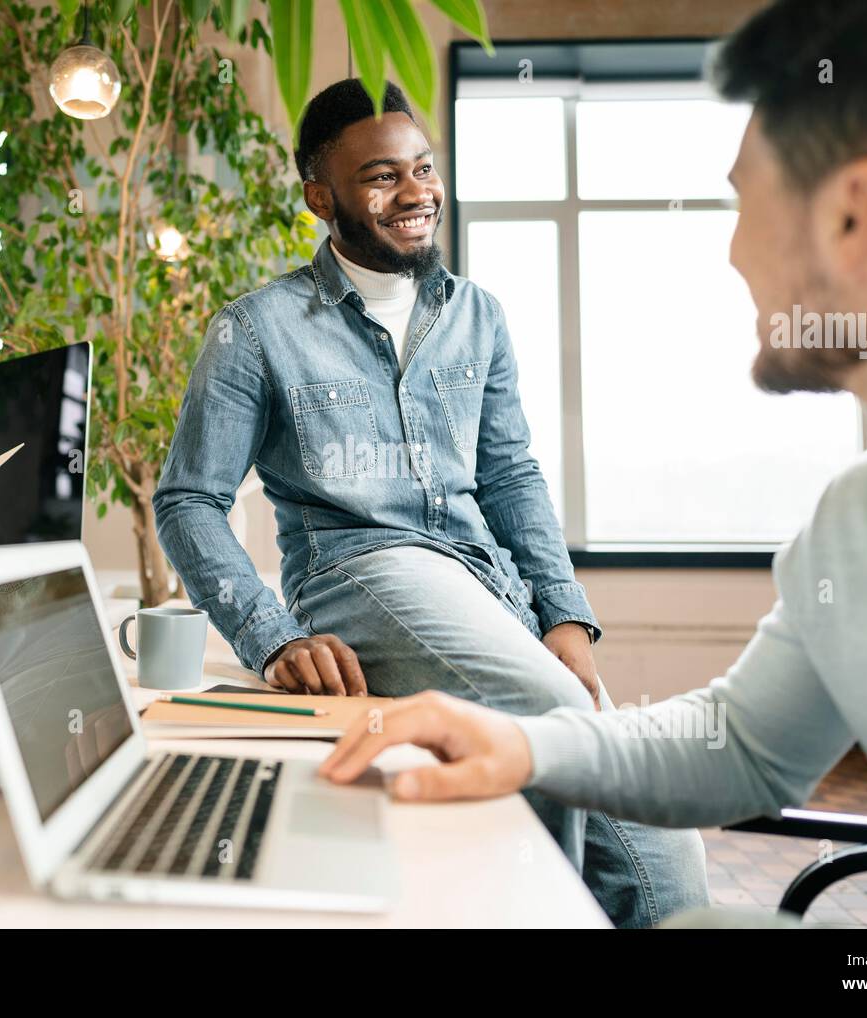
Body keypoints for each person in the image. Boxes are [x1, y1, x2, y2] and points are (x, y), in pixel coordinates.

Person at [320, 0, 867, 928]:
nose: (732, 253)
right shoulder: (866, 522)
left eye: (745, 201)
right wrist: (523, 745)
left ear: (857, 215)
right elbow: (740, 742)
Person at [152, 78, 707, 927]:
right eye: (380, 177)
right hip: (359, 569)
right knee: (550, 714)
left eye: (423, 168)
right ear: (319, 196)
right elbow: (189, 500)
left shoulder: (478, 315)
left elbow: (512, 476)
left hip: (487, 585)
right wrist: (272, 638)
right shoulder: (255, 328)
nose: (415, 193)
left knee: (666, 823)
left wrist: (563, 614)